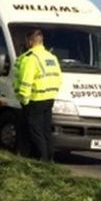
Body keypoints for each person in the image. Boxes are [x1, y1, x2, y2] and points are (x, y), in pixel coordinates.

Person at [13, 29, 61, 162]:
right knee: (46, 130)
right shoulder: (51, 57)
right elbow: (59, 78)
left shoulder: (30, 58)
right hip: (49, 98)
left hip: (35, 99)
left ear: (29, 42)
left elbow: (26, 81)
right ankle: (50, 157)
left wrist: (24, 99)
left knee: (34, 130)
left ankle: (42, 157)